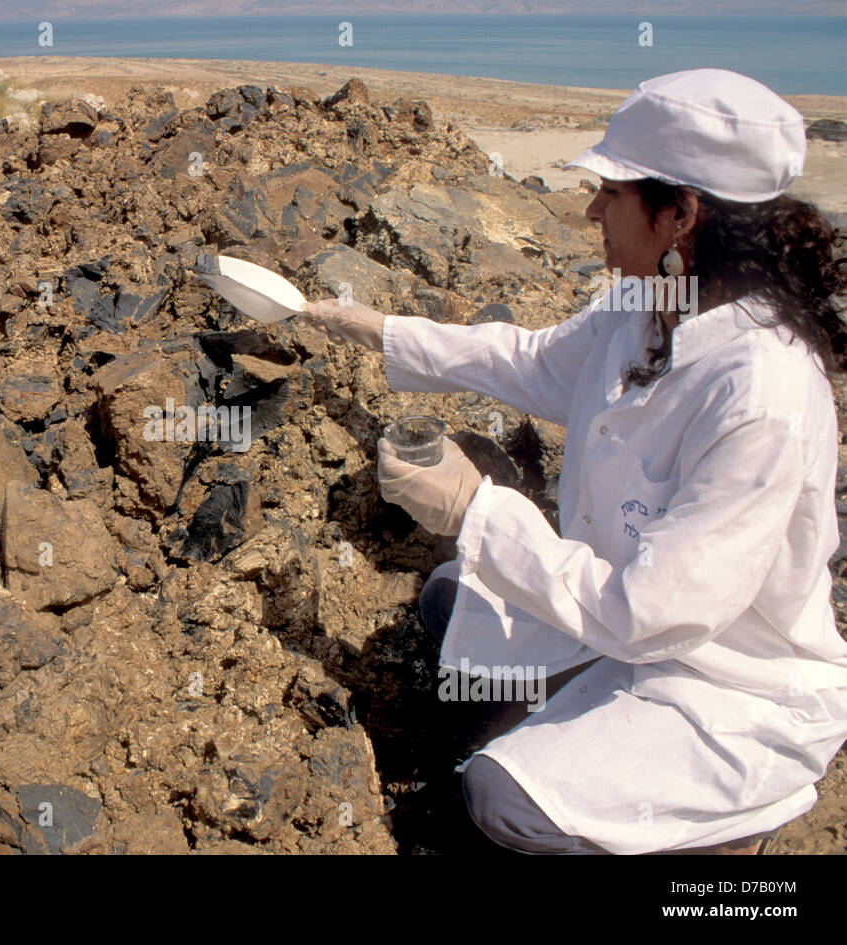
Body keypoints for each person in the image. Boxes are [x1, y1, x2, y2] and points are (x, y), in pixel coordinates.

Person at [300, 68, 847, 855]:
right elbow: (525, 361)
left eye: (611, 192)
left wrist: (475, 509)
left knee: (497, 798)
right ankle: (570, 714)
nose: (592, 208)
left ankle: (722, 842)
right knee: (451, 596)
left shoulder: (762, 392)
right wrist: (376, 328)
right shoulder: (643, 307)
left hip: (722, 681)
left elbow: (650, 613)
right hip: (620, 617)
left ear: (679, 214)